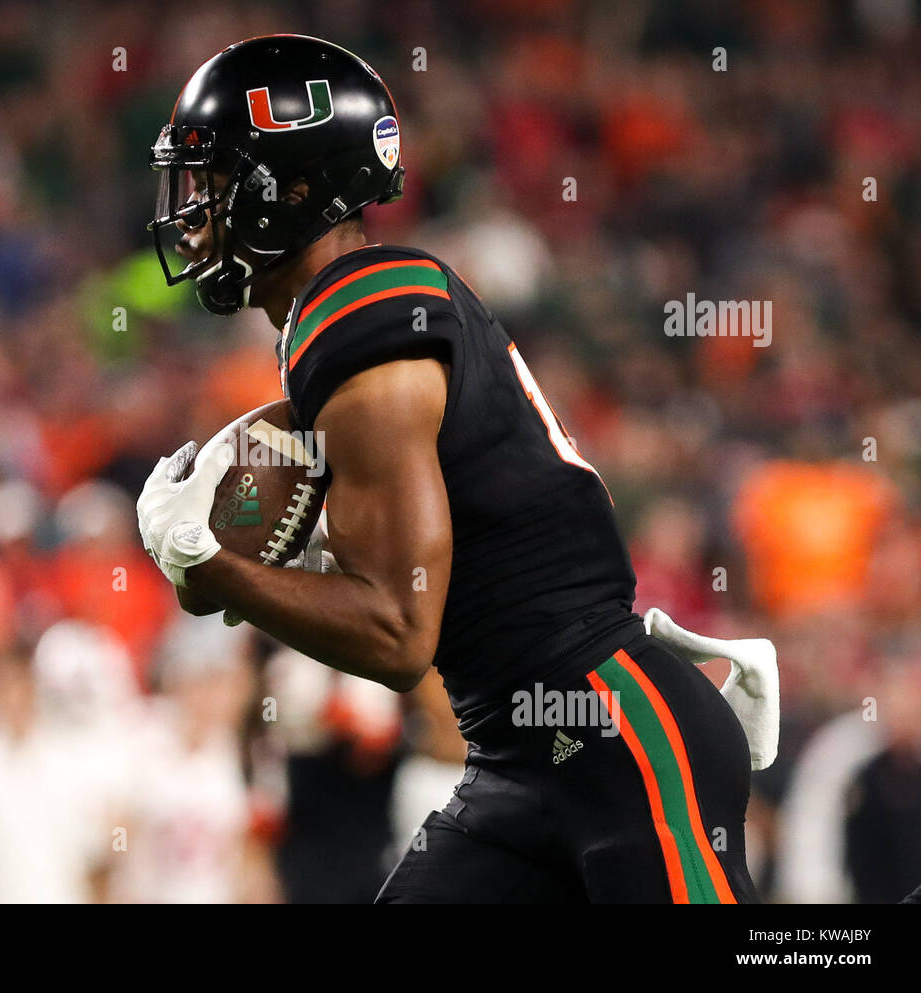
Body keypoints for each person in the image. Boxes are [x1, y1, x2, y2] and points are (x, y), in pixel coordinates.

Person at [135, 34, 757, 903]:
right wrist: (226, 566)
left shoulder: (361, 327)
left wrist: (213, 563)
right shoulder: (346, 324)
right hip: (522, 751)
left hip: (615, 732)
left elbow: (397, 632)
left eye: (215, 181)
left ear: (292, 187)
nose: (194, 208)